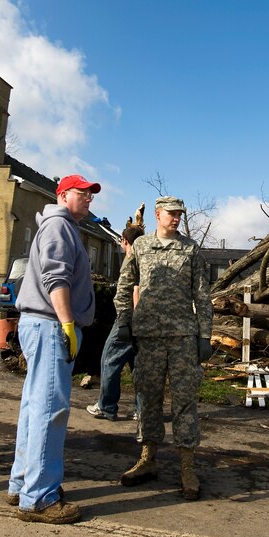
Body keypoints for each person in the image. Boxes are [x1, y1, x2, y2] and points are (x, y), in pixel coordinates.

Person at [7, 173, 100, 524]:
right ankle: (40, 497)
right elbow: (55, 278)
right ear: (63, 195)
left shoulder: (62, 226)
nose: (89, 198)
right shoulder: (59, 226)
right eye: (83, 193)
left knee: (35, 406)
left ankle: (21, 483)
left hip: (41, 324)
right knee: (50, 409)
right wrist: (66, 323)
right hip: (49, 324)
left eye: (91, 194)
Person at [114, 196, 213, 501]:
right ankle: (148, 459)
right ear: (157, 215)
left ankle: (187, 467)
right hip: (148, 335)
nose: (176, 219)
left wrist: (204, 336)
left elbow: (202, 294)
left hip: (183, 336)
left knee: (184, 402)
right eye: (171, 214)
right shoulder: (141, 246)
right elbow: (124, 283)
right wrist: (125, 321)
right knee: (148, 398)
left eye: (179, 214)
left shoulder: (191, 249)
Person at [86, 225, 144, 421]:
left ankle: (107, 406)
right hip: (145, 320)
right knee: (139, 365)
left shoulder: (131, 260)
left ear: (124, 242)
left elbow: (124, 292)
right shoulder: (149, 259)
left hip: (127, 318)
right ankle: (142, 410)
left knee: (109, 360)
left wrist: (124, 321)